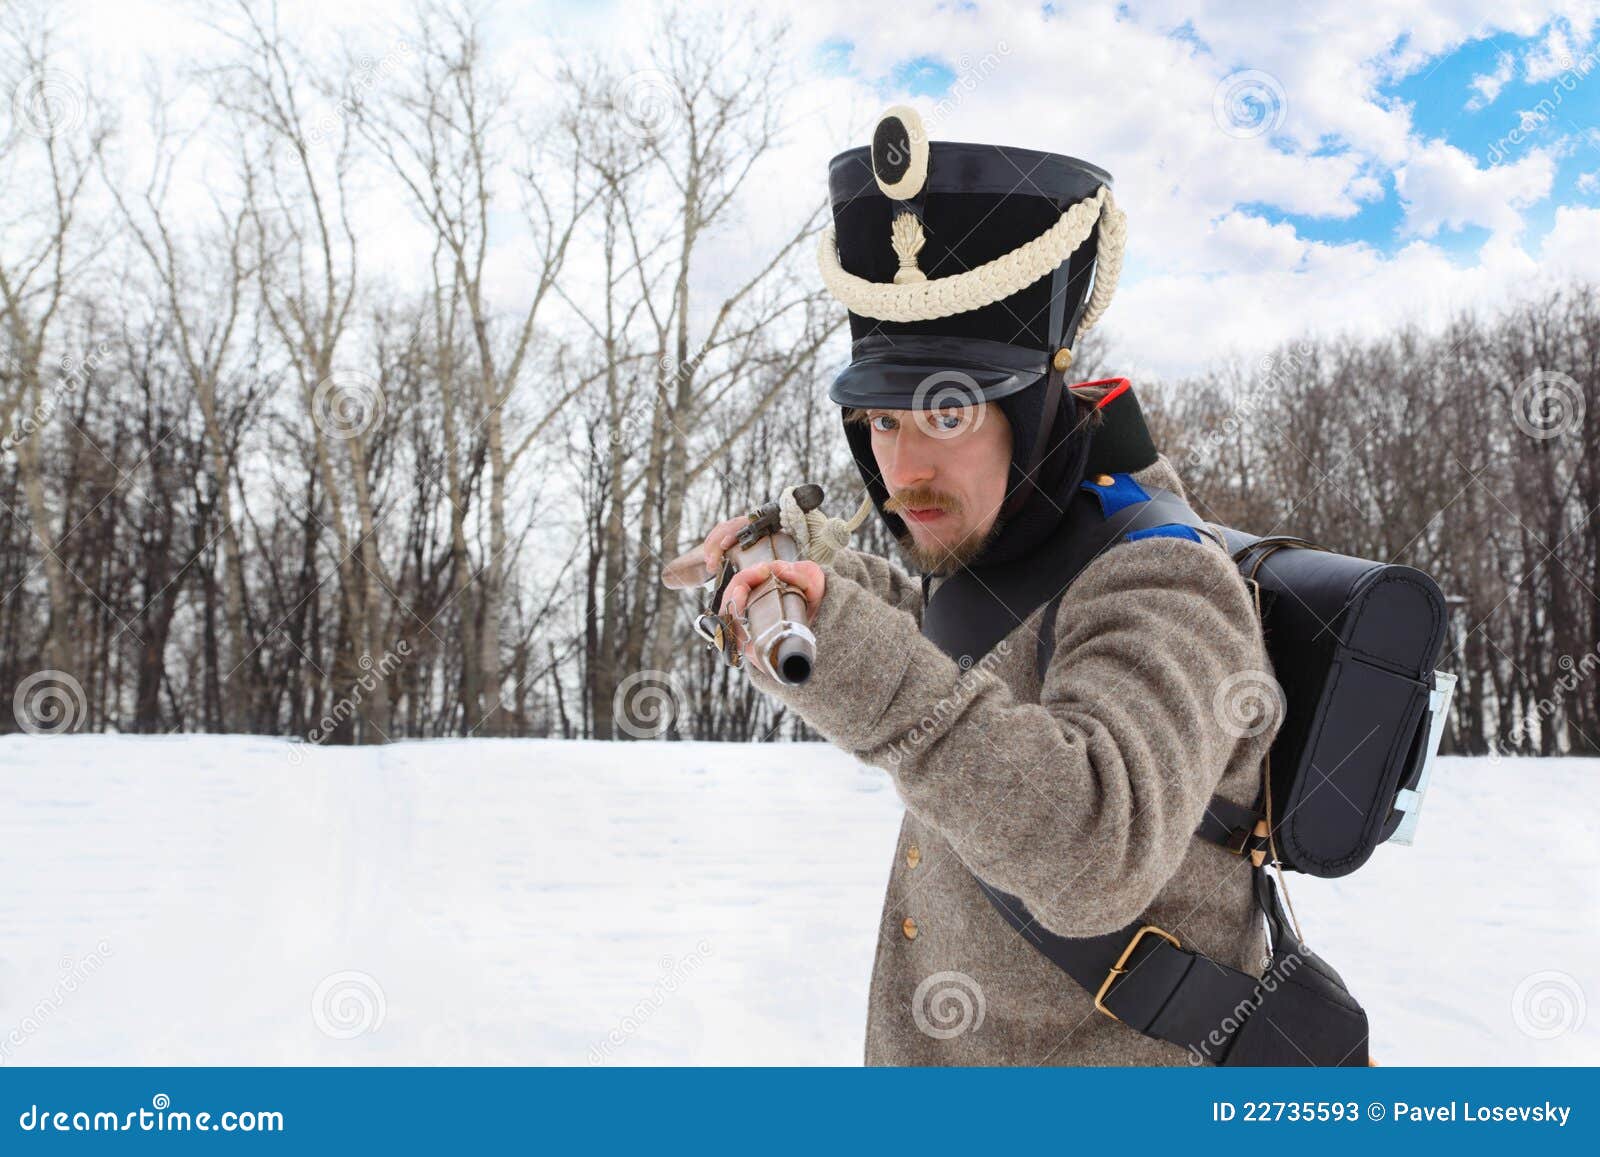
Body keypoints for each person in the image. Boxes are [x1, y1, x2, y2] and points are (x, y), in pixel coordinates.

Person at [697, 108, 1281, 1065]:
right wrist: (801, 578)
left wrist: (846, 648)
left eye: (947, 413)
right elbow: (943, 653)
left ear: (1038, 403)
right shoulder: (1004, 543)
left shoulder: (1169, 582)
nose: (902, 466)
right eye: (881, 421)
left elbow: (1095, 841)